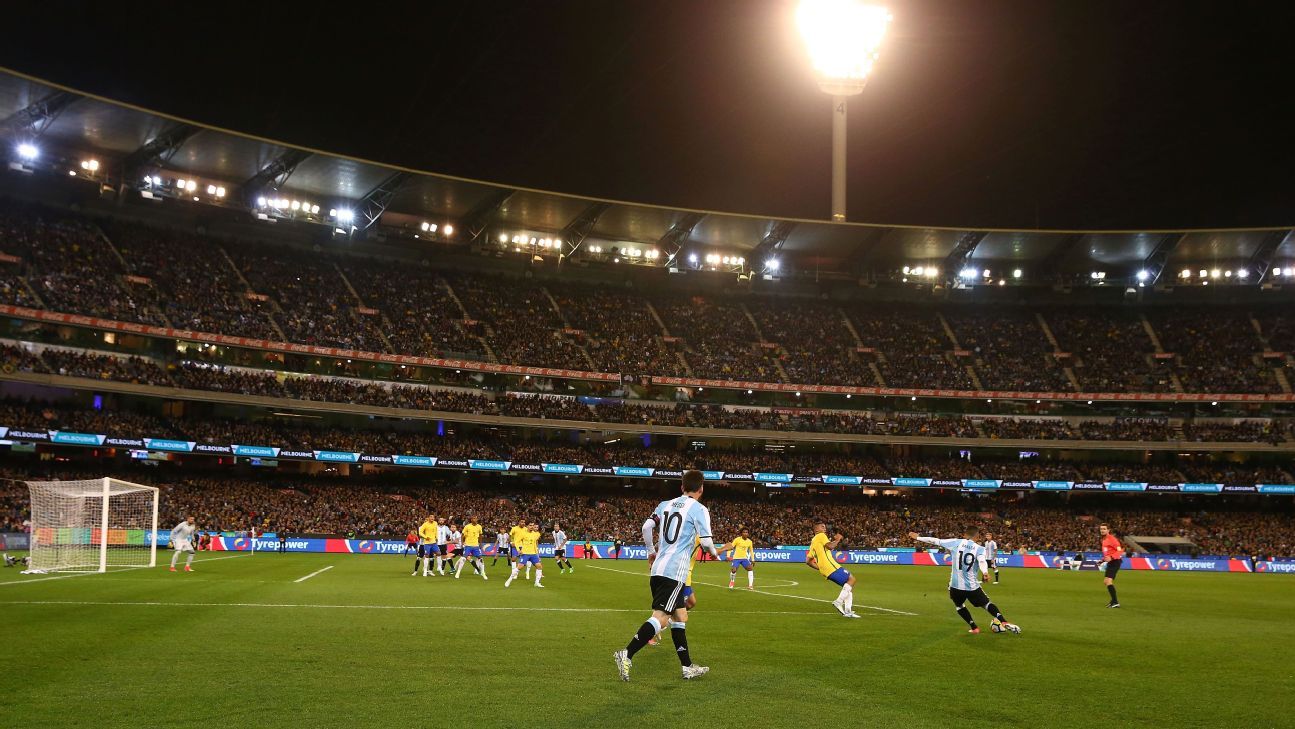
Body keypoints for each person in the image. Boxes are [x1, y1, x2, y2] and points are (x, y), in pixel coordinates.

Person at [613, 470, 719, 682]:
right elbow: (706, 542)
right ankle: (627, 653)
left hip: (658, 568)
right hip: (674, 572)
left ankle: (687, 667)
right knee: (661, 618)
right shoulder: (699, 509)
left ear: (682, 487)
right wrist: (714, 553)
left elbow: (646, 526)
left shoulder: (664, 505)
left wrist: (650, 551)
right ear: (701, 489)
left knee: (680, 617)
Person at [908, 527, 1020, 635]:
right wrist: (985, 572)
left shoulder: (956, 542)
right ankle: (1003, 621)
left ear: (965, 535)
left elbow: (935, 540)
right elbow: (982, 561)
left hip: (955, 586)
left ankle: (974, 627)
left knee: (959, 606)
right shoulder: (980, 549)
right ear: (977, 537)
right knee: (986, 604)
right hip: (972, 587)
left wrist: (918, 537)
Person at [806, 522, 858, 618]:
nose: (824, 528)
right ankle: (838, 602)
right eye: (822, 527)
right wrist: (837, 539)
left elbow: (808, 561)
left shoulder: (813, 542)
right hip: (830, 566)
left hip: (825, 569)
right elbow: (830, 546)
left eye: (825, 527)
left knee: (847, 587)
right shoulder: (821, 535)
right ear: (816, 530)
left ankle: (848, 611)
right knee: (852, 579)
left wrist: (820, 568)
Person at [506, 522, 543, 588]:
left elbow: (535, 543)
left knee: (539, 566)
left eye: (533, 525)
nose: (532, 527)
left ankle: (537, 582)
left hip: (533, 553)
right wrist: (518, 550)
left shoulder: (536, 534)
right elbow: (517, 541)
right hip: (525, 553)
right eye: (530, 525)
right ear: (527, 526)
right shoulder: (523, 533)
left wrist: (537, 554)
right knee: (520, 567)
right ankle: (510, 579)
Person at [1098, 524, 1125, 608]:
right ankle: (1113, 601)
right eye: (1101, 529)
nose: (1102, 530)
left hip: (1115, 561)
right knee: (1106, 581)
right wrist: (1102, 560)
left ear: (1108, 530)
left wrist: (1112, 557)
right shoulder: (1103, 540)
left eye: (1104, 529)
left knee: (1108, 581)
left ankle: (1115, 602)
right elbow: (1108, 553)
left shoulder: (1112, 539)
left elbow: (1120, 550)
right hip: (1111, 562)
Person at [455, 516, 487, 580]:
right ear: (471, 520)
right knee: (463, 558)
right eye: (473, 518)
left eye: (475, 518)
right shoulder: (467, 526)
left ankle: (483, 573)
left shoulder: (479, 527)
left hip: (476, 546)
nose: (474, 519)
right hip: (468, 545)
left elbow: (480, 535)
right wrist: (462, 543)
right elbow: (462, 535)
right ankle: (458, 572)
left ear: (477, 519)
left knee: (480, 558)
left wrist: (480, 543)